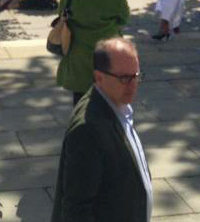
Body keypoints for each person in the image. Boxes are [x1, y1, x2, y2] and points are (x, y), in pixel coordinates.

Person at [51, 38, 152, 222]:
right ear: (99, 77)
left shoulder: (116, 104)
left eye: (136, 76)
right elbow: (76, 209)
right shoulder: (88, 130)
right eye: (124, 78)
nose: (132, 85)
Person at [56, 0, 130, 106]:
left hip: (78, 53)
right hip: (107, 54)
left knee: (80, 102)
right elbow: (124, 18)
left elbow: (61, 12)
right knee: (106, 102)